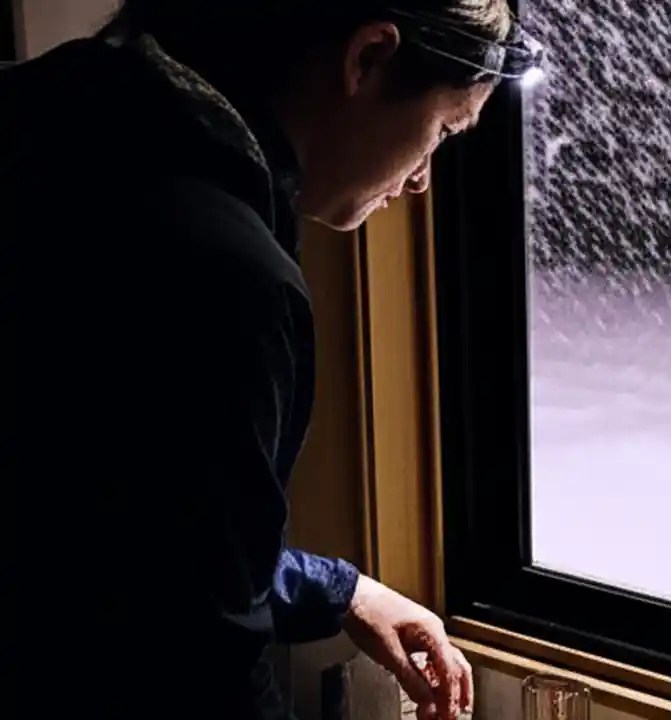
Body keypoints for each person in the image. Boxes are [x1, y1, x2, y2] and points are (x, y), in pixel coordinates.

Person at [0, 1, 542, 718]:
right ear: (368, 58)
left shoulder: (53, 110)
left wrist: (341, 591)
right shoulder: (227, 279)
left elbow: (118, 534)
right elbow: (203, 664)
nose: (422, 181)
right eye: (442, 130)